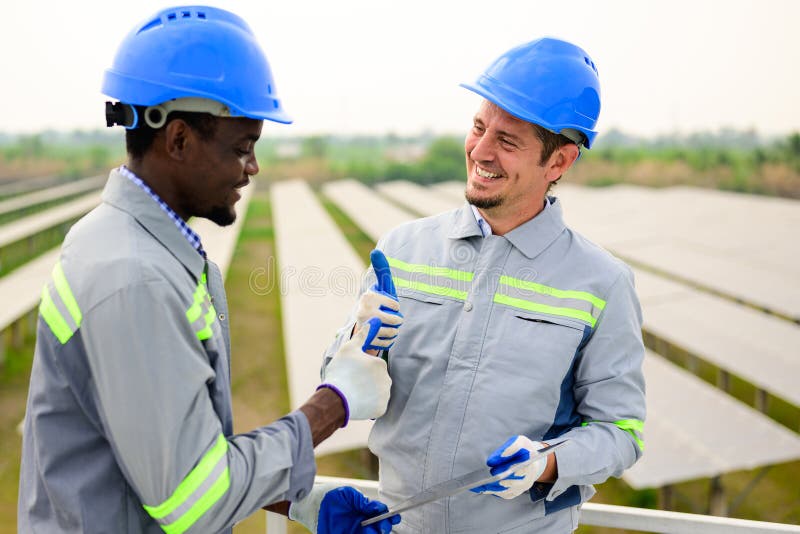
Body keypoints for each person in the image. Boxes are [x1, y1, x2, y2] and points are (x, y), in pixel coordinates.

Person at [18, 6, 402, 534]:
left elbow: (162, 451)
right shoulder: (135, 279)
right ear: (178, 140)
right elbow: (191, 500)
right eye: (242, 148)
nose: (253, 167)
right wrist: (331, 405)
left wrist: (300, 499)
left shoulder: (125, 244)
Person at [324, 37, 646, 533]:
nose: (482, 150)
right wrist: (352, 353)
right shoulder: (403, 250)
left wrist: (548, 463)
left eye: (508, 141)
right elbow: (338, 377)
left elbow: (621, 431)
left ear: (558, 162)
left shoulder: (601, 283)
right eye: (479, 128)